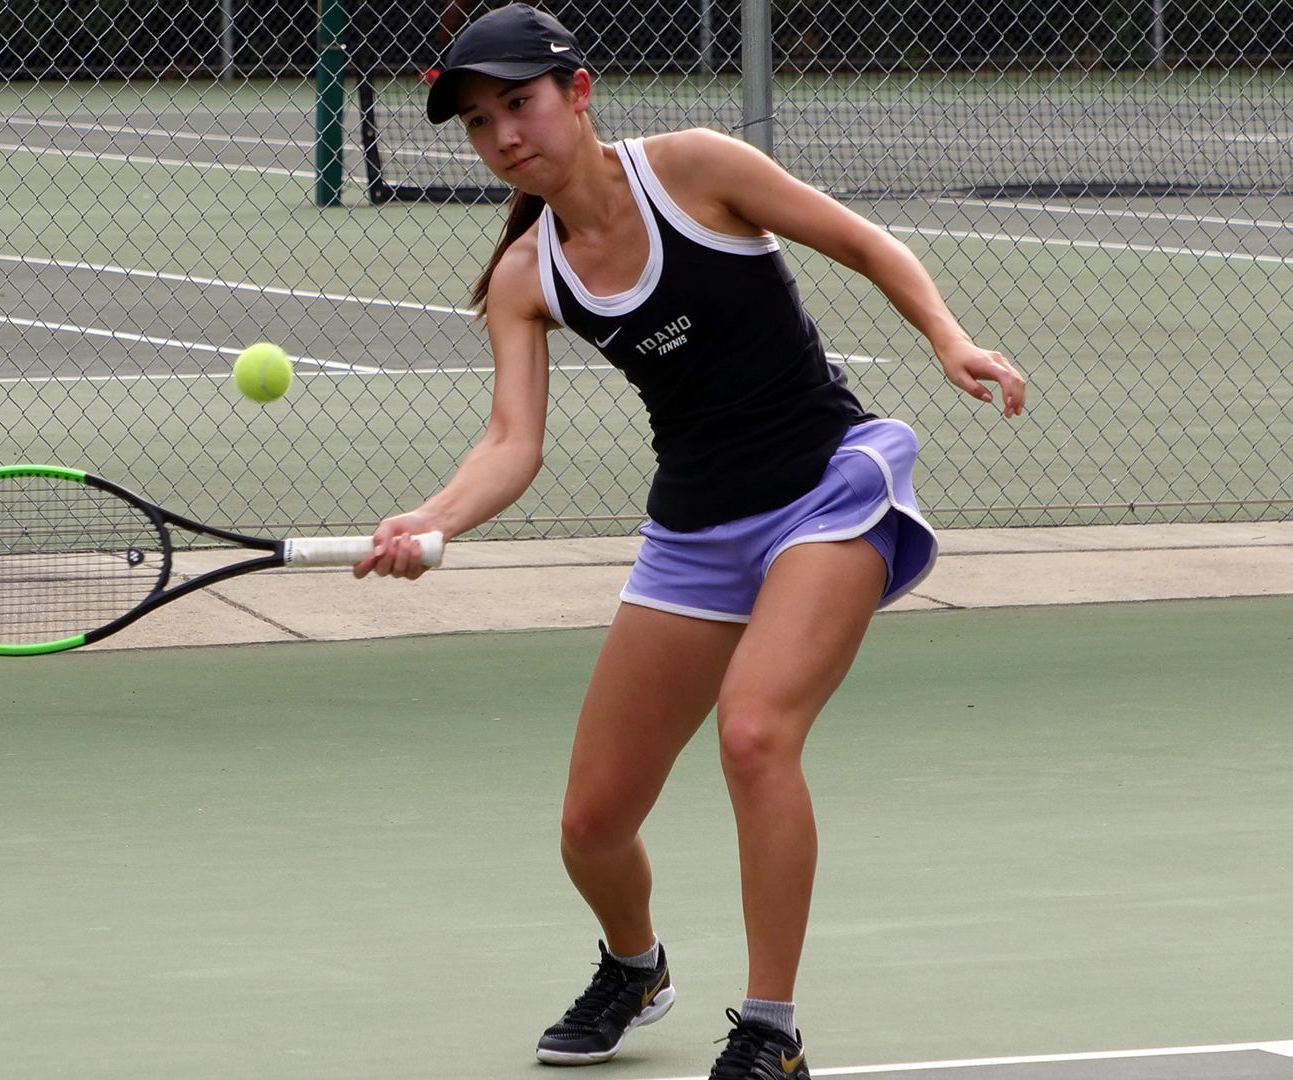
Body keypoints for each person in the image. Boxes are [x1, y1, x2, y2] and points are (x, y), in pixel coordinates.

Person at [354, 6, 1025, 1077]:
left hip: (827, 490)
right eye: (478, 122)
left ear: (578, 92)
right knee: (590, 826)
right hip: (695, 535)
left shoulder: (698, 170)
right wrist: (433, 515)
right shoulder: (527, 277)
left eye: (518, 104)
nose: (504, 136)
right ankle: (635, 966)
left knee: (755, 735)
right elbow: (511, 442)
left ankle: (770, 1032)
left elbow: (862, 241)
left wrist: (948, 337)